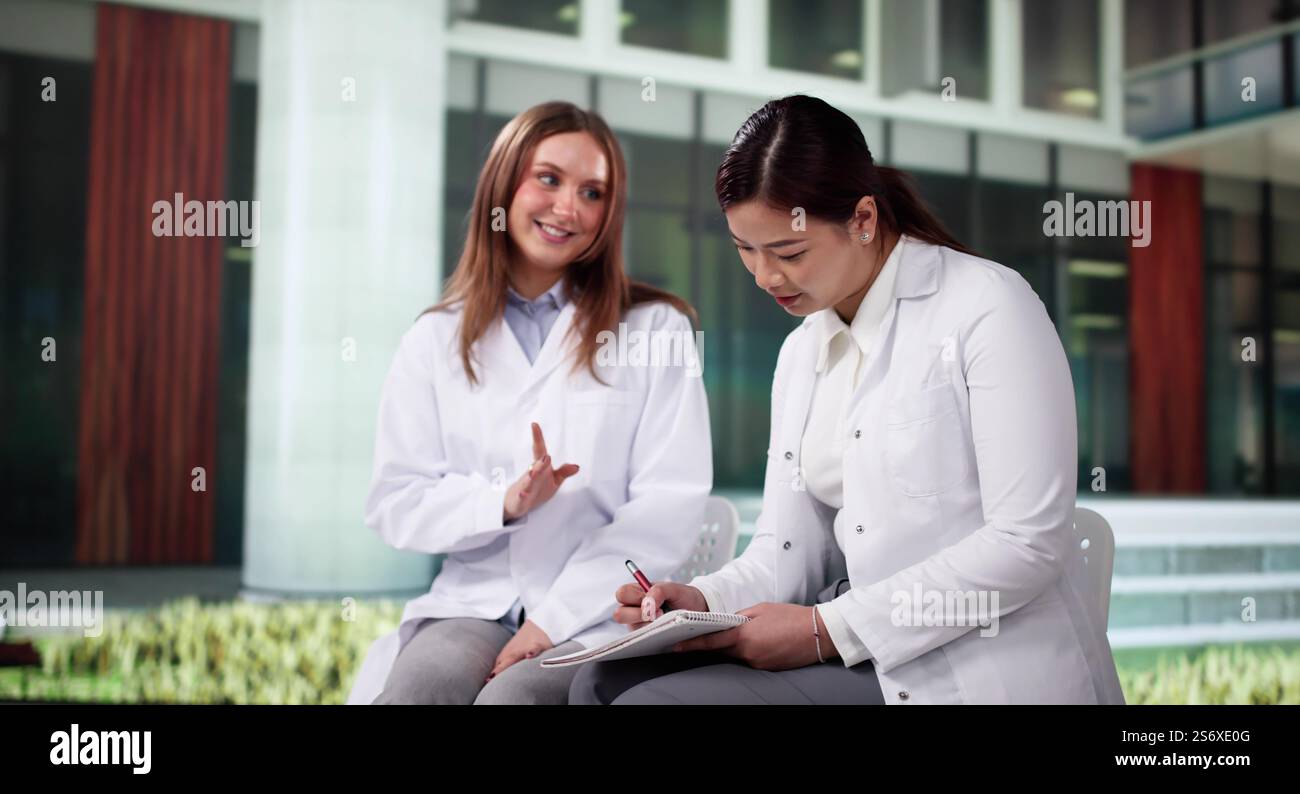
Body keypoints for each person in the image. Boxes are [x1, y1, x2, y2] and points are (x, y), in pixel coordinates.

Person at [571, 94, 1125, 705]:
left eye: (788, 252)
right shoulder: (802, 353)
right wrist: (705, 602)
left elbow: (1028, 543)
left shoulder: (990, 307)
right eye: (744, 249)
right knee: (602, 682)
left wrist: (823, 630)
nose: (765, 277)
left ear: (863, 219)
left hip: (976, 667)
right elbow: (790, 552)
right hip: (861, 659)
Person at [362, 101, 711, 704]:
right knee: (420, 689)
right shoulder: (434, 338)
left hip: (593, 613)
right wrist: (502, 501)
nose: (568, 208)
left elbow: (668, 507)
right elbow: (396, 500)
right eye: (547, 178)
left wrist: (550, 621)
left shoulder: (657, 330)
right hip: (474, 602)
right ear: (504, 186)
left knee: (512, 701)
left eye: (593, 193)